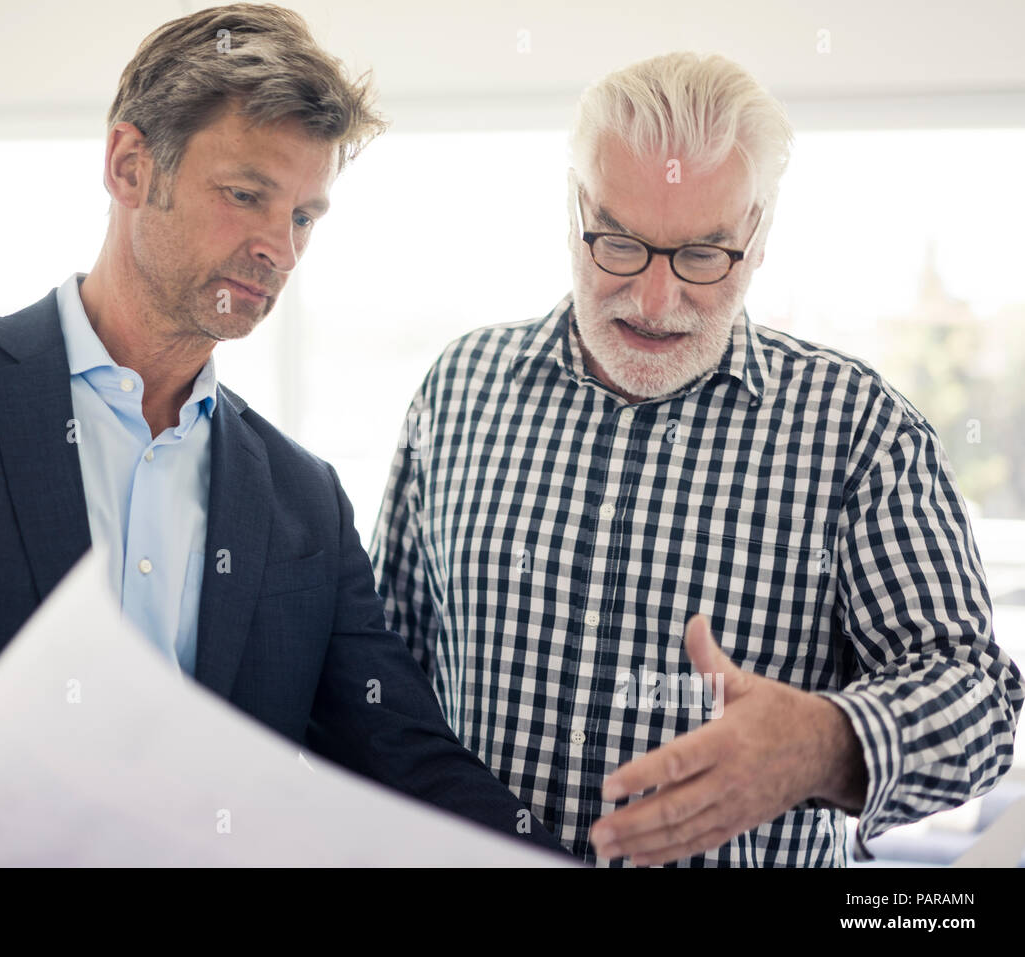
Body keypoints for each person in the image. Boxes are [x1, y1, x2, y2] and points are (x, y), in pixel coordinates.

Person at [0, 3, 565, 867]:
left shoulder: (305, 502)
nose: (279, 246)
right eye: (246, 195)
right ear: (129, 165)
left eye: (305, 217)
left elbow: (411, 765)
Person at [370, 51, 1023, 867]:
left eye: (702, 256)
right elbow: (380, 667)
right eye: (618, 243)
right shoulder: (458, 389)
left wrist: (826, 744)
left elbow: (979, 700)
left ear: (759, 237)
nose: (653, 300)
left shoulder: (859, 430)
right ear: (575, 210)